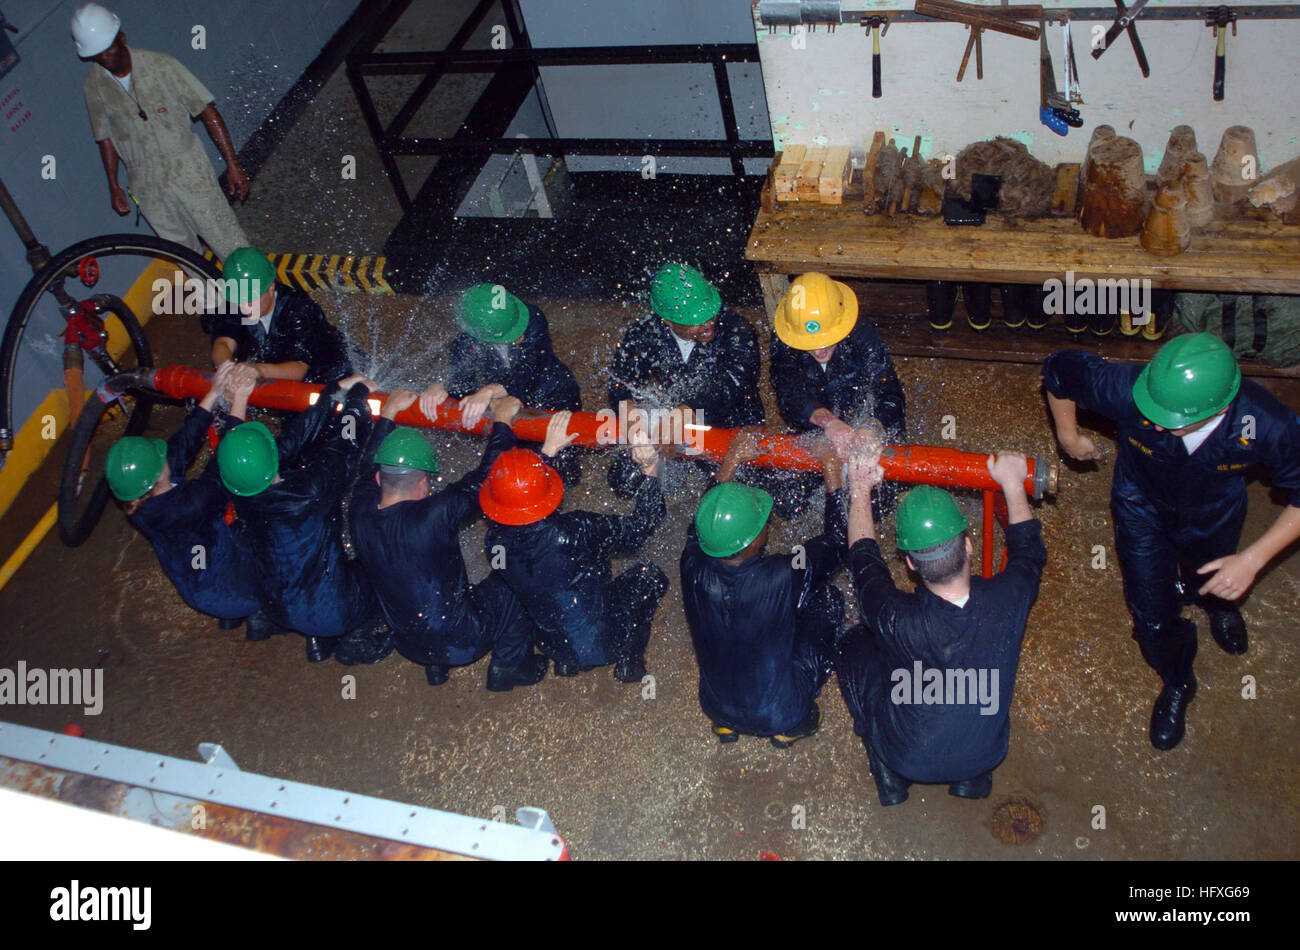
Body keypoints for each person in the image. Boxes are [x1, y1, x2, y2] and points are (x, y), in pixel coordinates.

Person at [1042, 333, 1300, 750]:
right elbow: (1058, 369)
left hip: (1214, 512)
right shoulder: (1130, 390)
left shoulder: (1265, 423)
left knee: (1216, 575)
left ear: (1219, 409)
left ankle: (1219, 607)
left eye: (1170, 418)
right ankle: (1178, 676)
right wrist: (1068, 436)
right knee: (1150, 612)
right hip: (1140, 506)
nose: (1155, 422)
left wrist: (1252, 560)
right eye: (1151, 409)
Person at [837, 445, 1045, 805]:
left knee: (853, 645)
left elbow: (863, 556)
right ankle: (972, 779)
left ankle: (889, 775)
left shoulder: (893, 615)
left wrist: (859, 486)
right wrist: (1012, 482)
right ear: (968, 545)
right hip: (986, 752)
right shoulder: (1010, 599)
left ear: (910, 565)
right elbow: (1029, 552)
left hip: (906, 756)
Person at [349, 386, 549, 691]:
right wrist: (504, 421)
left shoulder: (359, 511)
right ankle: (509, 666)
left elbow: (365, 465)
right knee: (513, 579)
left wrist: (388, 413)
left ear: (379, 479)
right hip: (463, 640)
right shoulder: (433, 516)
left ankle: (436, 668)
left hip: (408, 642)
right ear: (425, 482)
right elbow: (485, 478)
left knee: (417, 593)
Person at [679, 429, 846, 747]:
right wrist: (830, 466)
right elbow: (838, 540)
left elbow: (699, 526)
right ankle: (792, 728)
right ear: (754, 541)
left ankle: (728, 725)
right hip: (779, 712)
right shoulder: (785, 571)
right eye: (763, 522)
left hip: (716, 705)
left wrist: (731, 460)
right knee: (828, 599)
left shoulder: (691, 564)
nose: (767, 523)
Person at [217, 375, 391, 665]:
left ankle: (316, 640)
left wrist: (332, 394)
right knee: (384, 563)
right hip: (334, 610)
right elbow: (346, 444)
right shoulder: (309, 491)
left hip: (277, 608)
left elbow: (291, 441)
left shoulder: (242, 489)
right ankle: (354, 637)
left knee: (303, 572)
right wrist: (358, 401)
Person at [481, 417, 668, 682]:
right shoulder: (576, 530)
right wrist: (651, 468)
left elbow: (518, 502)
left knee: (581, 565)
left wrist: (544, 455)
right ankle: (630, 660)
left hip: (551, 643)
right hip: (602, 642)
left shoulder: (494, 542)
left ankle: (568, 663)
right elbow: (639, 529)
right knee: (650, 577)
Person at [72, 2, 249, 260]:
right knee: (182, 253)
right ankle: (211, 298)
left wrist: (233, 165)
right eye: (96, 55)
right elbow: (105, 137)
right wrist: (114, 185)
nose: (104, 59)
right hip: (146, 185)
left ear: (121, 37)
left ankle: (261, 295)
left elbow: (207, 111)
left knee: (228, 241)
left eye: (107, 50)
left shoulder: (162, 66)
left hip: (188, 172)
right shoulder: (93, 85)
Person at [105, 362, 267, 637]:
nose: (165, 454)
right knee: (274, 534)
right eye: (160, 458)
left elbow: (182, 444)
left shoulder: (141, 501)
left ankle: (235, 613)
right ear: (157, 476)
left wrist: (213, 393)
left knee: (224, 539)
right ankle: (261, 613)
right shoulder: (189, 505)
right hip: (227, 590)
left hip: (196, 585)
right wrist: (239, 400)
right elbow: (226, 467)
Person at [606, 262, 764, 495]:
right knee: (623, 481)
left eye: (711, 314)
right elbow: (619, 381)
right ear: (667, 321)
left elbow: (734, 382)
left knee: (723, 497)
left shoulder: (736, 330)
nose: (708, 324)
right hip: (678, 421)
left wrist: (687, 411)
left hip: (731, 420)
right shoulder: (646, 332)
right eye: (696, 321)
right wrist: (634, 424)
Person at [769, 271, 906, 516]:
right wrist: (827, 421)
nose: (819, 350)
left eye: (826, 339)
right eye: (809, 343)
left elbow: (891, 395)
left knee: (877, 506)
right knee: (790, 503)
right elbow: (787, 393)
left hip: (862, 421)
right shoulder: (784, 341)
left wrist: (870, 427)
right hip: (817, 428)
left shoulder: (862, 336)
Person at [421, 283, 582, 482]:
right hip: (512, 407)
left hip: (553, 392)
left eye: (518, 328)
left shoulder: (533, 317)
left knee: (565, 454)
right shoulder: (465, 341)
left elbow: (530, 370)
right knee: (525, 452)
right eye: (510, 334)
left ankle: (568, 475)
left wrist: (490, 391)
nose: (520, 335)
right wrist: (442, 388)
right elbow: (462, 386)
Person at [205, 246, 352, 384]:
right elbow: (223, 343)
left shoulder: (299, 310)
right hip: (281, 366)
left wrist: (258, 370)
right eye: (239, 299)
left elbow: (300, 368)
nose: (243, 307)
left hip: (334, 372)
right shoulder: (237, 301)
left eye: (251, 299)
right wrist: (228, 370)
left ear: (271, 287)